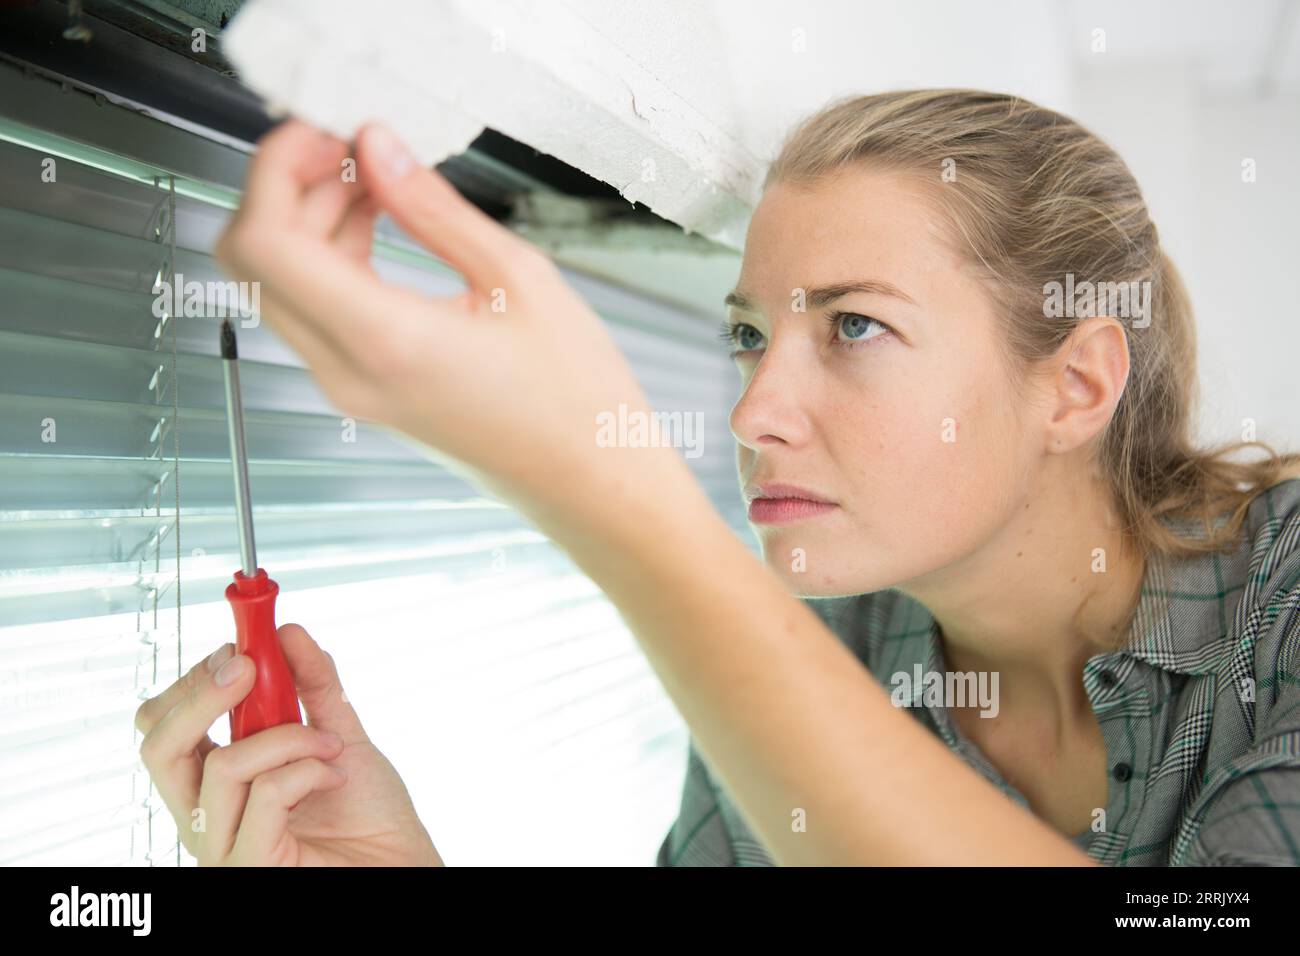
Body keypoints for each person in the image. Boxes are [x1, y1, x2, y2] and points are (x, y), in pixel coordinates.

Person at [135, 89, 1300, 866]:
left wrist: (606, 492)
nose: (753, 411)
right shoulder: (824, 647)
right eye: (749, 335)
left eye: (852, 326)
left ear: (1076, 385)